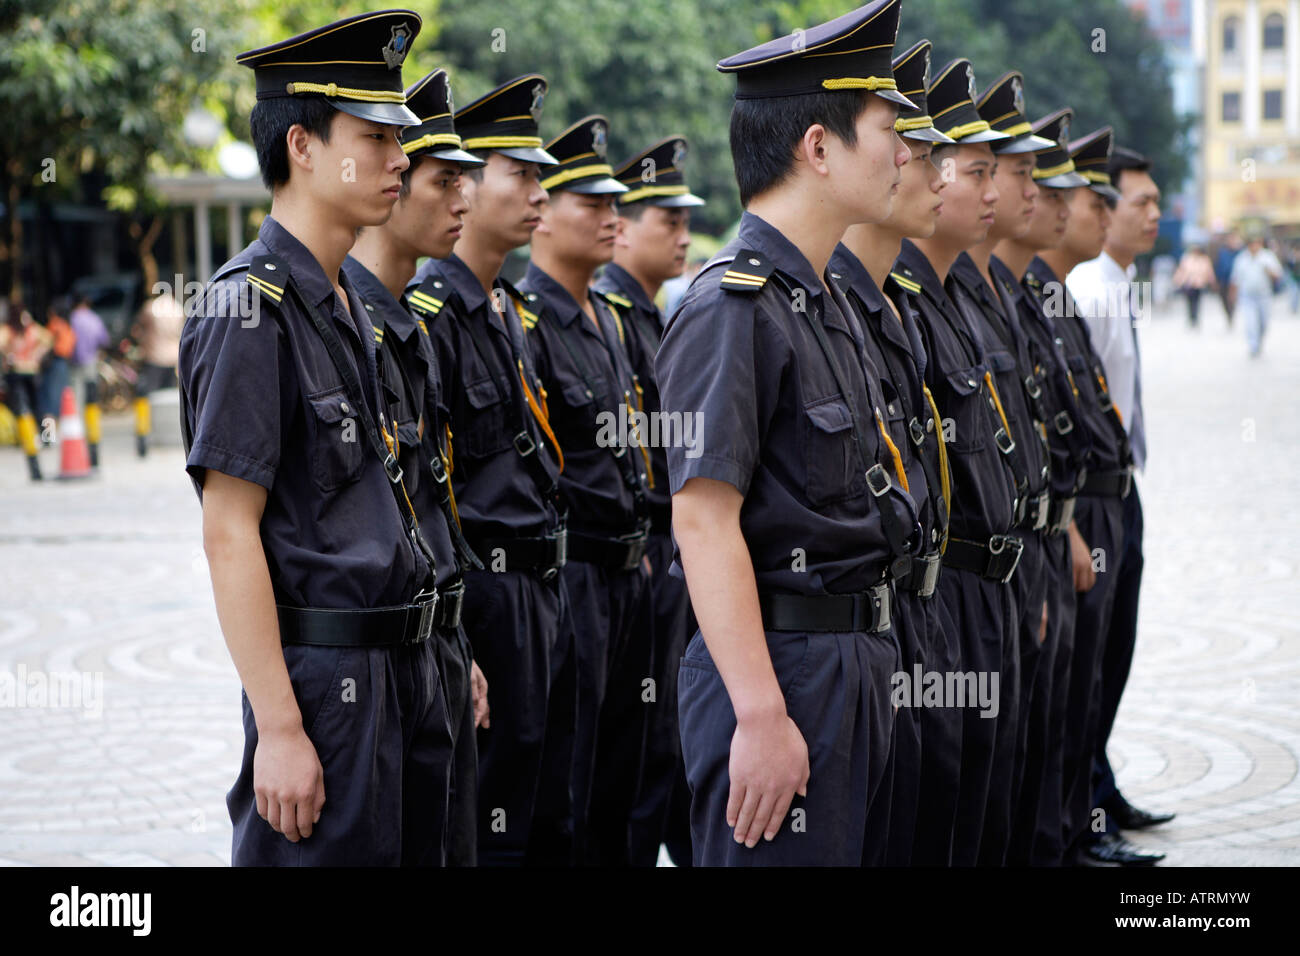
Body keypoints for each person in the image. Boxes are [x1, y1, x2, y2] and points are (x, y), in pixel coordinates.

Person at [178, 10, 458, 866]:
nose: (399, 160)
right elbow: (229, 531)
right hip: (326, 690)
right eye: (374, 137)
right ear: (303, 146)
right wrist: (281, 728)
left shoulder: (346, 305)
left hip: (402, 673)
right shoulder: (247, 308)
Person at [657, 0, 920, 866]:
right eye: (888, 128)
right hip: (779, 670)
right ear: (817, 146)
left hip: (849, 665)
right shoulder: (731, 308)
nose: (906, 153)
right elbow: (701, 519)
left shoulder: (824, 301)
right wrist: (762, 715)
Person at [404, 74, 574, 866]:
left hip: (542, 589)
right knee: (491, 813)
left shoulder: (503, 310)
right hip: (488, 599)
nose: (539, 191)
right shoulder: (432, 317)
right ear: (468, 181)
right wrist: (463, 637)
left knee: (548, 804)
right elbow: (434, 494)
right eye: (524, 172)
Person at [342, 68, 490, 866]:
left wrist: (455, 647)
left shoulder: (405, 328)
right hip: (354, 671)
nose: (459, 197)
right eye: (444, 179)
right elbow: (239, 537)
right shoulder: (330, 321)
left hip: (431, 649)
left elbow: (430, 508)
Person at [830, 36, 957, 866]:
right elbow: (703, 517)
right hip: (837, 636)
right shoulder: (788, 303)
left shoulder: (889, 303)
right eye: (909, 145)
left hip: (918, 607)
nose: (932, 170)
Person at [893, 55, 1021, 867]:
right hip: (931, 598)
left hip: (981, 588)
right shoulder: (888, 299)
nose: (998, 192)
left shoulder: (950, 295)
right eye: (977, 171)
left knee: (984, 799)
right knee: (932, 811)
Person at [520, 115, 656, 867]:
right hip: (573, 572)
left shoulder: (604, 317)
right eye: (593, 206)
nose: (612, 219)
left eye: (615, 206)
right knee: (565, 783)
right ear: (547, 217)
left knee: (623, 773)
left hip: (625, 571)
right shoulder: (529, 319)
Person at [594, 134, 706, 867]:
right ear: (624, 229)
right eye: (666, 218)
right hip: (624, 556)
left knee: (664, 741)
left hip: (665, 549)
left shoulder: (649, 315)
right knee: (632, 749)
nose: (684, 233)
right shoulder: (601, 314)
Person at [989, 105, 1092, 867]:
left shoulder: (1002, 295)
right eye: (1018, 175)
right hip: (968, 575)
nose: (1035, 197)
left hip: (1030, 548)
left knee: (1032, 748)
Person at [1067, 140, 1174, 865]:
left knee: (1113, 652)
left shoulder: (1117, 283)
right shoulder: (1087, 290)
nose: (1152, 216)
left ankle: (1099, 790)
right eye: (1139, 202)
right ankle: (1086, 807)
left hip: (1120, 489)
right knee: (1088, 664)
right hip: (1090, 501)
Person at [1, 301, 52, 480]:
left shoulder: (10, 330)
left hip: (18, 375)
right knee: (40, 408)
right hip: (31, 372)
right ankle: (47, 438)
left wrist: (9, 356)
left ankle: (33, 444)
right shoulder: (29, 328)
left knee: (25, 413)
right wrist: (36, 355)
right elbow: (48, 338)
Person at [131, 291, 184, 457]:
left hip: (154, 357)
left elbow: (138, 329)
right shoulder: (178, 308)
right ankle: (167, 432)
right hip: (173, 358)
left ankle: (146, 435)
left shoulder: (150, 308)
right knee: (168, 398)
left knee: (146, 398)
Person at [68, 294, 109, 466]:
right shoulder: (94, 318)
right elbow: (104, 340)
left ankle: (79, 435)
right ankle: (93, 440)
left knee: (76, 402)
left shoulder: (72, 319)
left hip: (76, 364)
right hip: (91, 363)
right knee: (92, 404)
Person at [1229, 235, 1283, 358]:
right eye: (1252, 244)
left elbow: (1278, 275)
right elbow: (1235, 279)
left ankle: (1259, 340)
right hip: (1247, 296)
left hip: (1264, 296)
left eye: (1257, 243)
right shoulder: (1241, 259)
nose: (1254, 246)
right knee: (1250, 322)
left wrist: (1270, 272)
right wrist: (1233, 295)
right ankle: (1253, 345)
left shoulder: (1267, 257)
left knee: (1263, 323)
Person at [40, 299, 76, 430]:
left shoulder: (54, 325)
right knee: (61, 399)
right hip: (64, 364)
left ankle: (48, 436)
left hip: (54, 363)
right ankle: (56, 434)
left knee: (49, 401)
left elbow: (44, 342)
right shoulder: (67, 326)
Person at [1171, 244, 1216, 328]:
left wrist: (1212, 282)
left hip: (1199, 284)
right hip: (1189, 284)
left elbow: (1209, 272)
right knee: (1189, 302)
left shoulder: (1204, 259)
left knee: (1197, 302)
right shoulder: (1187, 259)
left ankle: (1195, 317)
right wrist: (1177, 281)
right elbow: (1182, 270)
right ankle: (1191, 317)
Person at [1214, 231, 1242, 325]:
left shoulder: (1240, 253)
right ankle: (1229, 315)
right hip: (1224, 281)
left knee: (1233, 300)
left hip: (1236, 282)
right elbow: (1218, 266)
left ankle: (1232, 314)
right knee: (1224, 300)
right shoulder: (1222, 252)